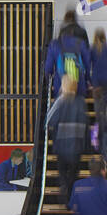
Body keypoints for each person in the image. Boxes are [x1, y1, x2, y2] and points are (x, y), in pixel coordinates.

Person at [47, 73, 89, 206]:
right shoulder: (81, 102)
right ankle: (70, 198)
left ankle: (64, 190)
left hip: (61, 145)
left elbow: (48, 121)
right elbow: (86, 124)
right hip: (77, 146)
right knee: (73, 175)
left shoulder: (60, 101)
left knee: (63, 174)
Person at [43, 20, 92, 99]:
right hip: (79, 86)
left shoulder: (54, 44)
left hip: (61, 86)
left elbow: (48, 68)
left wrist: (49, 83)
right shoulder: (81, 43)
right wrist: (87, 79)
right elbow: (87, 64)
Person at [88, 27, 107, 123]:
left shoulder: (92, 47)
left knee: (98, 104)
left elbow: (88, 64)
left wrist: (89, 80)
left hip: (96, 80)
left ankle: (99, 125)